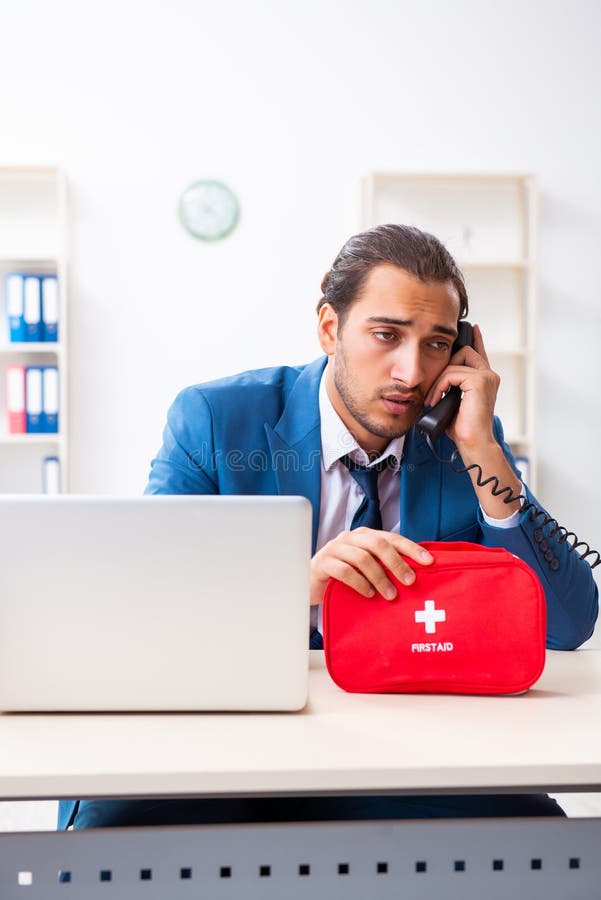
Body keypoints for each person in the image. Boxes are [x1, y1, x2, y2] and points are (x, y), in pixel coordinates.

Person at [59, 224, 598, 829]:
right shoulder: (215, 420)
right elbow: (146, 614)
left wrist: (481, 447)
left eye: (438, 344)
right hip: (233, 735)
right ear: (328, 328)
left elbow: (568, 623)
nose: (410, 372)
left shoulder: (464, 443)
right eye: (386, 335)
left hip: (409, 743)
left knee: (540, 837)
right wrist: (297, 588)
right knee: (111, 832)